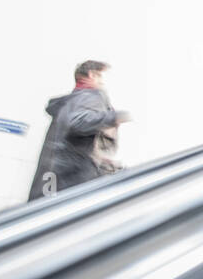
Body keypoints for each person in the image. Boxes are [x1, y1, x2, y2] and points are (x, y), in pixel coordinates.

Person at [28, 60, 130, 200]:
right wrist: (115, 117)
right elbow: (79, 122)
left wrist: (102, 162)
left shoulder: (70, 103)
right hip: (72, 184)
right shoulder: (90, 96)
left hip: (53, 184)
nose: (105, 84)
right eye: (103, 77)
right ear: (92, 75)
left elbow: (72, 144)